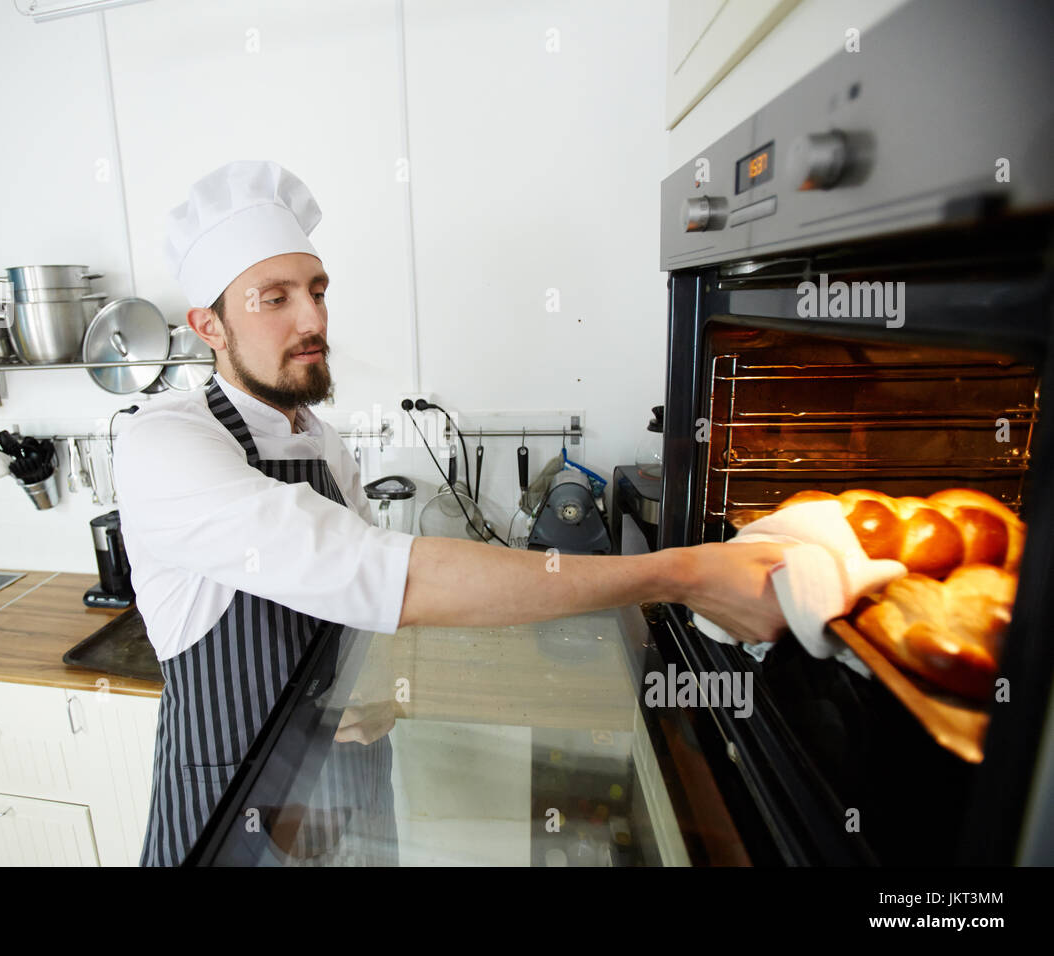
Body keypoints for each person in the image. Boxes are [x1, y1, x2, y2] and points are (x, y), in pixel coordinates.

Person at [113, 160, 790, 867]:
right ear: (208, 326)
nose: (313, 319)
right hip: (227, 812)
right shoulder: (165, 443)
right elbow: (386, 576)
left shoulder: (322, 441)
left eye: (317, 291)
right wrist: (678, 573)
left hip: (342, 779)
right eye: (273, 298)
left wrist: (363, 680)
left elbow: (349, 604)